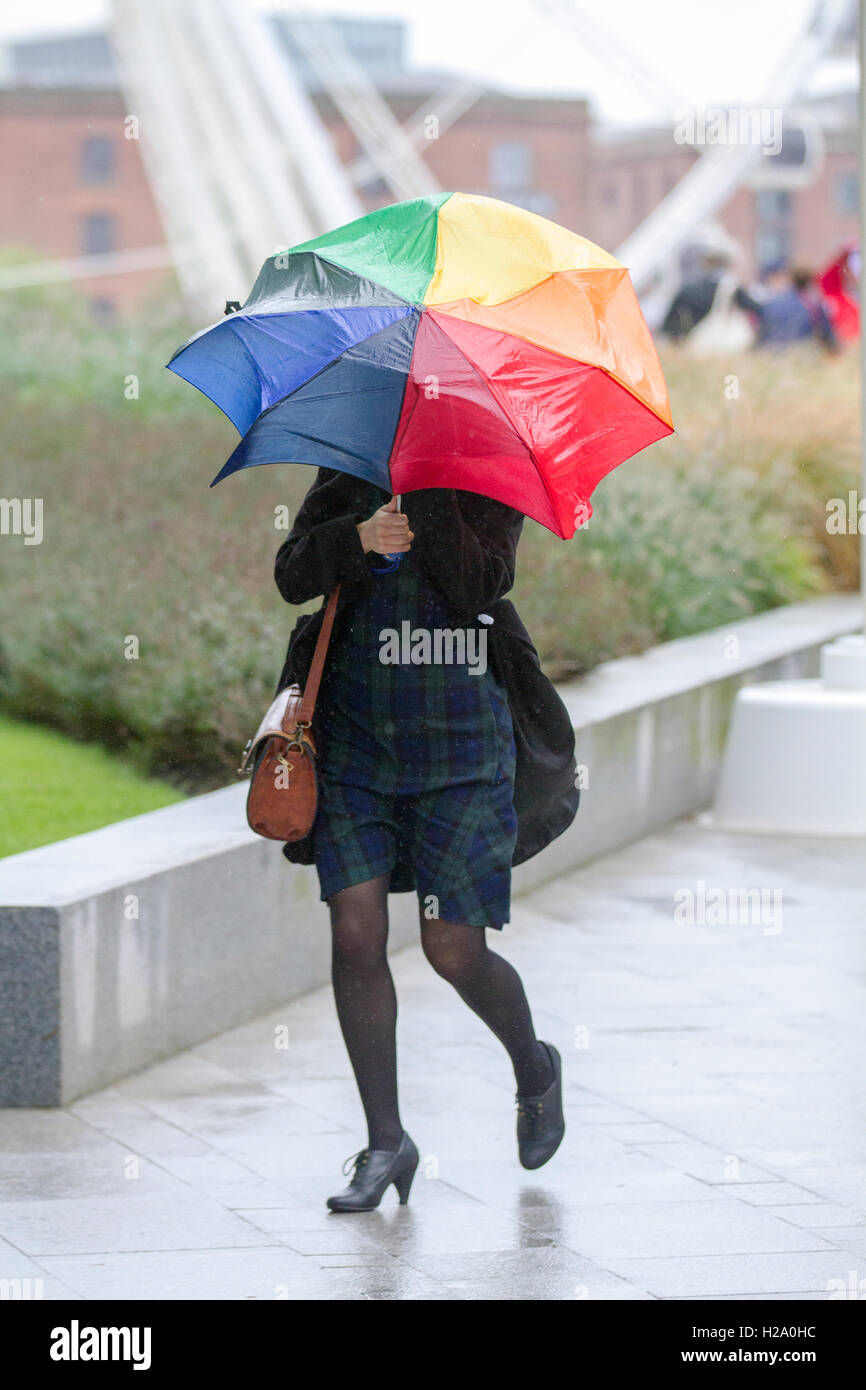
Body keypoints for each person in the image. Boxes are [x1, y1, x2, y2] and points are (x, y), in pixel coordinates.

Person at [272, 471, 580, 1212]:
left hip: (463, 749)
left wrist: (430, 498)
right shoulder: (351, 462)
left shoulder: (487, 466)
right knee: (354, 932)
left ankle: (535, 1068)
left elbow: (483, 583)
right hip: (353, 742)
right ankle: (386, 1143)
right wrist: (355, 538)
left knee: (452, 948)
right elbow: (291, 576)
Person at [661, 249, 759, 341]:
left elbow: (671, 319)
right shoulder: (730, 287)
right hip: (719, 340)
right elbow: (756, 308)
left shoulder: (688, 287)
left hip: (691, 339)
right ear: (727, 265)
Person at [754, 266, 838, 351]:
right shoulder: (814, 306)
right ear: (809, 284)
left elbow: (761, 337)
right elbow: (830, 340)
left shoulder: (771, 304)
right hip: (801, 354)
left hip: (773, 354)